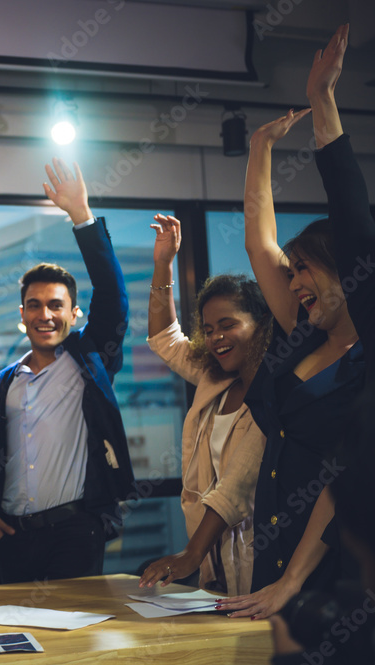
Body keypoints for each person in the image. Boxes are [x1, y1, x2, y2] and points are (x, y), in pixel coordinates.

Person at [217, 34, 364, 617]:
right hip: (278, 541)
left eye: (307, 271)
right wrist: (259, 150)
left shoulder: (367, 353)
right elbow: (260, 240)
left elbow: (348, 476)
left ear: (349, 272)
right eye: (293, 272)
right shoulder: (304, 331)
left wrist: (323, 100)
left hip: (339, 557)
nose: (294, 282)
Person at [0, 157, 134, 585]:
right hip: (9, 539)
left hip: (75, 534)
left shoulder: (90, 361)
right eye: (35, 305)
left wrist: (80, 215)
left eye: (56, 305)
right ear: (22, 316)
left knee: (71, 644)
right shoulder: (2, 381)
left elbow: (115, 297)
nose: (45, 314)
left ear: (74, 313)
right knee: (16, 644)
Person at [138, 215, 270, 595]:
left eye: (228, 324)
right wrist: (163, 263)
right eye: (209, 329)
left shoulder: (275, 392)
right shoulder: (215, 378)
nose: (216, 338)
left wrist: (191, 553)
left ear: (261, 323)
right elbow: (164, 338)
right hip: (216, 564)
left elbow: (235, 487)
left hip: (263, 554)